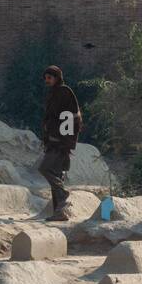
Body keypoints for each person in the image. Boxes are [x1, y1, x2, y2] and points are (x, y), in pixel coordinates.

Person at [39, 65, 82, 222]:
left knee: (44, 169)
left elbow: (71, 117)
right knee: (56, 175)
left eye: (49, 77)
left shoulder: (64, 92)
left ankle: (64, 195)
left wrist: (65, 140)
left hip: (60, 142)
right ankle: (60, 213)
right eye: (46, 78)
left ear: (57, 77)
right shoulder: (54, 93)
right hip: (53, 141)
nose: (47, 80)